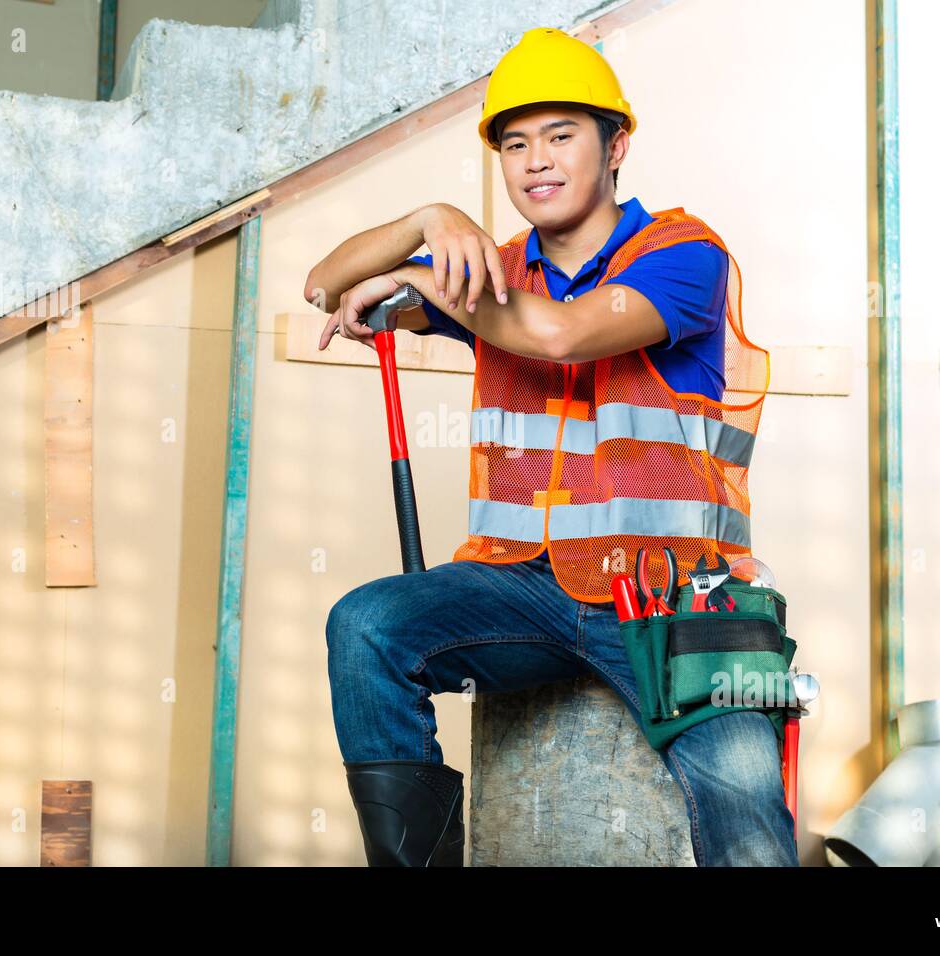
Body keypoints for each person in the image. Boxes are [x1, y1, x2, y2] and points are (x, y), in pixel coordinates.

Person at [303, 27, 794, 867]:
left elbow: (563, 335)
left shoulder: (682, 253)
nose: (537, 160)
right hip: (520, 585)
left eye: (563, 135)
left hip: (676, 591)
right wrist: (431, 219)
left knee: (746, 817)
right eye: (516, 143)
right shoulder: (492, 270)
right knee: (366, 625)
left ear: (616, 147)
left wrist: (428, 280)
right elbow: (326, 284)